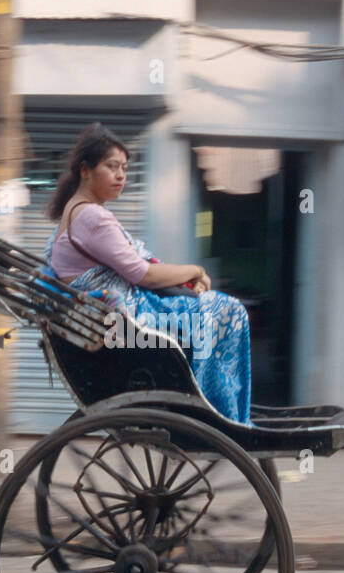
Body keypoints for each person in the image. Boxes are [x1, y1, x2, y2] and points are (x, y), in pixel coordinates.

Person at [44, 122, 253, 425]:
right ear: (86, 170)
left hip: (117, 317)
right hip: (131, 323)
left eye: (124, 169)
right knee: (229, 311)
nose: (120, 176)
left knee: (213, 306)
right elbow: (143, 274)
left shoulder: (75, 211)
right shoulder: (91, 216)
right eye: (111, 166)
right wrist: (196, 269)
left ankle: (217, 405)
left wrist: (184, 278)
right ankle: (218, 411)